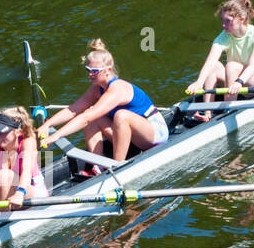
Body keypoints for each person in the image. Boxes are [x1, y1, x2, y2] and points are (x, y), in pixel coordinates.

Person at [37, 39, 168, 164]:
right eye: (88, 70)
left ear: (108, 71)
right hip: (132, 136)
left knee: (120, 115)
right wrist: (47, 126)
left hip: (155, 133)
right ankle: (98, 165)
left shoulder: (117, 89)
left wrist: (56, 135)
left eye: (94, 71)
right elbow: (73, 109)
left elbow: (86, 118)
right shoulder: (96, 89)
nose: (90, 74)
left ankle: (118, 165)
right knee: (91, 113)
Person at [185, 0, 254, 122]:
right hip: (234, 82)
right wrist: (199, 82)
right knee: (216, 66)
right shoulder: (224, 36)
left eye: (228, 21)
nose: (224, 25)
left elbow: (252, 66)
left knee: (231, 66)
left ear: (242, 19)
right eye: (222, 20)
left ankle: (227, 111)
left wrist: (239, 82)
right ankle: (207, 112)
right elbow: (210, 62)